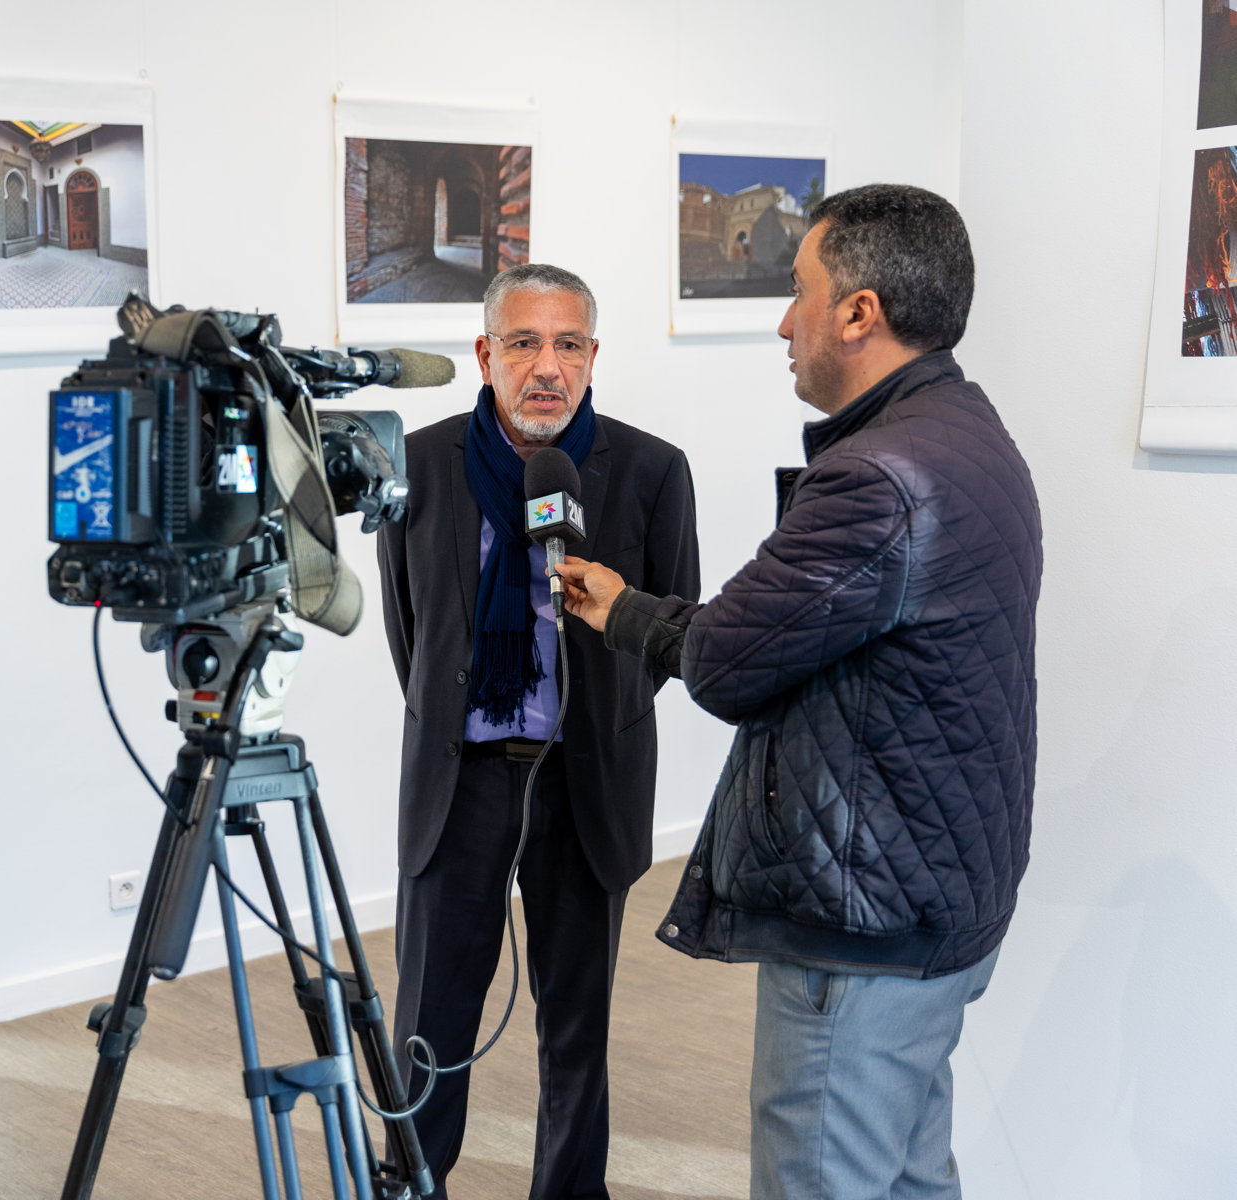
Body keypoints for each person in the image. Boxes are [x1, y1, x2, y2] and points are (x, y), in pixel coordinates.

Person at [556, 184, 1041, 1200]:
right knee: (907, 1174)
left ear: (859, 312)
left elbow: (732, 662)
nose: (783, 321)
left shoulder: (877, 477)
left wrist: (629, 615)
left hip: (864, 924)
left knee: (825, 1177)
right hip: (938, 897)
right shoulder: (968, 430)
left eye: (799, 290)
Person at [377, 263, 700, 1198]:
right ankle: (414, 1185)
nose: (545, 366)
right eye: (523, 343)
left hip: (584, 782)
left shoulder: (647, 471)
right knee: (429, 1027)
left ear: (593, 359)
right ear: (485, 355)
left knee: (575, 1032)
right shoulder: (421, 465)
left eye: (566, 345)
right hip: (461, 781)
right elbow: (412, 636)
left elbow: (671, 635)